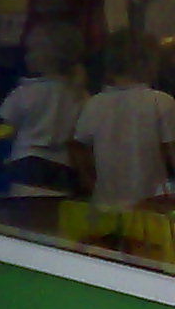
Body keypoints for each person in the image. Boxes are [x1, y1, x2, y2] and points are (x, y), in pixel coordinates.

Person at [74, 30, 175, 212]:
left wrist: (89, 181)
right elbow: (172, 152)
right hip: (150, 204)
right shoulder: (161, 101)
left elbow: (79, 148)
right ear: (151, 64)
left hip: (104, 203)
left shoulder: (94, 103)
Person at [0, 22, 84, 193]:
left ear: (45, 57)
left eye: (31, 51)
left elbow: (8, 128)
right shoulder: (76, 94)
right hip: (62, 163)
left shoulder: (25, 92)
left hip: (25, 160)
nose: (26, 56)